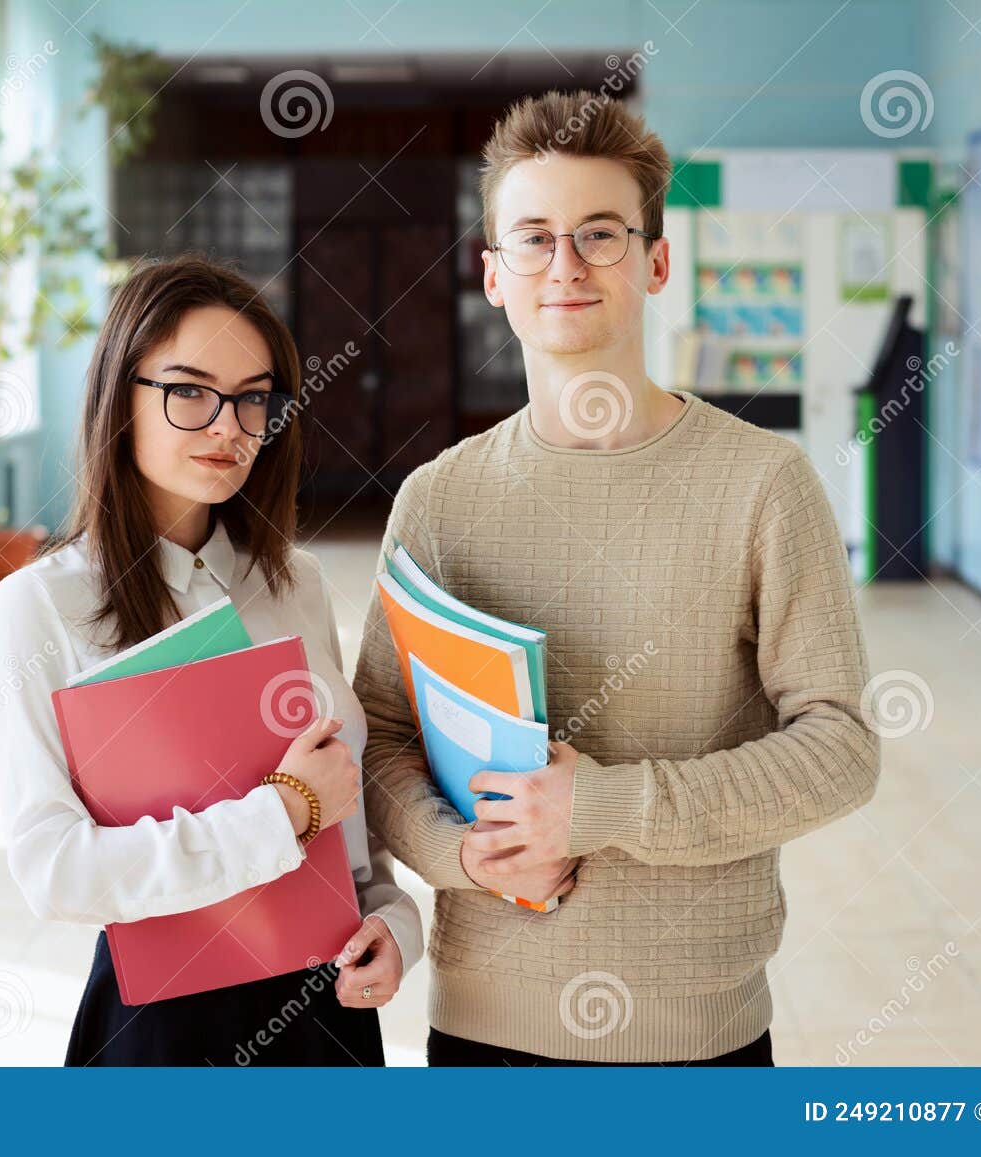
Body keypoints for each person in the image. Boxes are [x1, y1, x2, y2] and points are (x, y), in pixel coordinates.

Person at [353, 90, 880, 1067]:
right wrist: (458, 852)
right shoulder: (437, 498)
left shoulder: (765, 483)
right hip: (479, 1028)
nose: (565, 265)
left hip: (698, 1036)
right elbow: (378, 737)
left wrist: (603, 806)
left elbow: (841, 746)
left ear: (656, 261)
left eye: (600, 234)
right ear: (493, 275)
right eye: (533, 238)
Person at [0, 255, 421, 1066]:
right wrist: (279, 812)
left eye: (254, 398)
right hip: (161, 1027)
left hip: (325, 1014)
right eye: (189, 390)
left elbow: (348, 822)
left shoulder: (297, 583)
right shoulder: (43, 604)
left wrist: (394, 923)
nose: (229, 426)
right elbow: (55, 870)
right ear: (122, 396)